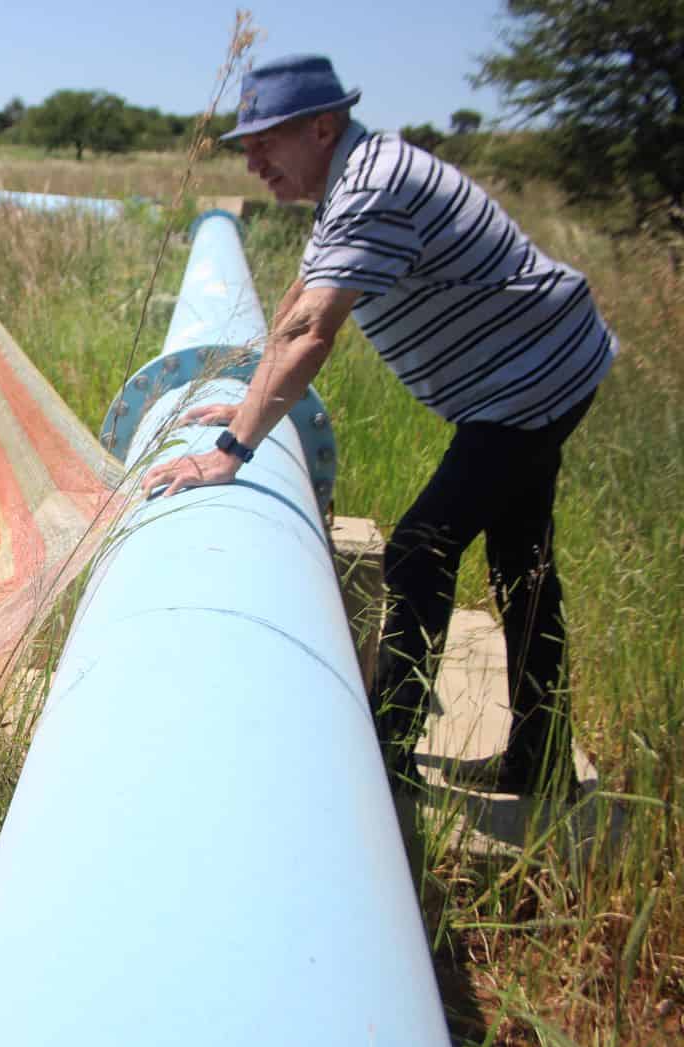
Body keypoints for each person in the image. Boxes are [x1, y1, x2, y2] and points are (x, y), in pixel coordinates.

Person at [141, 55, 615, 796]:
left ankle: (385, 753)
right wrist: (241, 405)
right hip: (533, 369)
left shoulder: (370, 186)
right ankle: (539, 758)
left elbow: (312, 331)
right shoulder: (353, 176)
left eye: (266, 139)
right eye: (246, 142)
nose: (252, 159)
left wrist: (230, 451)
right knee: (520, 559)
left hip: (531, 377)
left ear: (322, 127)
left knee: (421, 549)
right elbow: (298, 301)